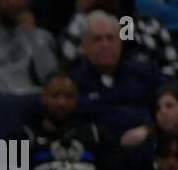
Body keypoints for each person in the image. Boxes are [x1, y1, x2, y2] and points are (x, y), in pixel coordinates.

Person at [68, 12, 164, 144]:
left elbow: (168, 105)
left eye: (110, 38)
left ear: (120, 43)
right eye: (97, 39)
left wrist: (149, 129)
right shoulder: (72, 81)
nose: (105, 45)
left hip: (147, 145)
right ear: (84, 46)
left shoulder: (145, 72)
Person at [12, 73, 103, 170]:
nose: (62, 103)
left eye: (69, 96)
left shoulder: (95, 134)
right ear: (43, 98)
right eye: (55, 96)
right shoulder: (22, 137)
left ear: (77, 99)